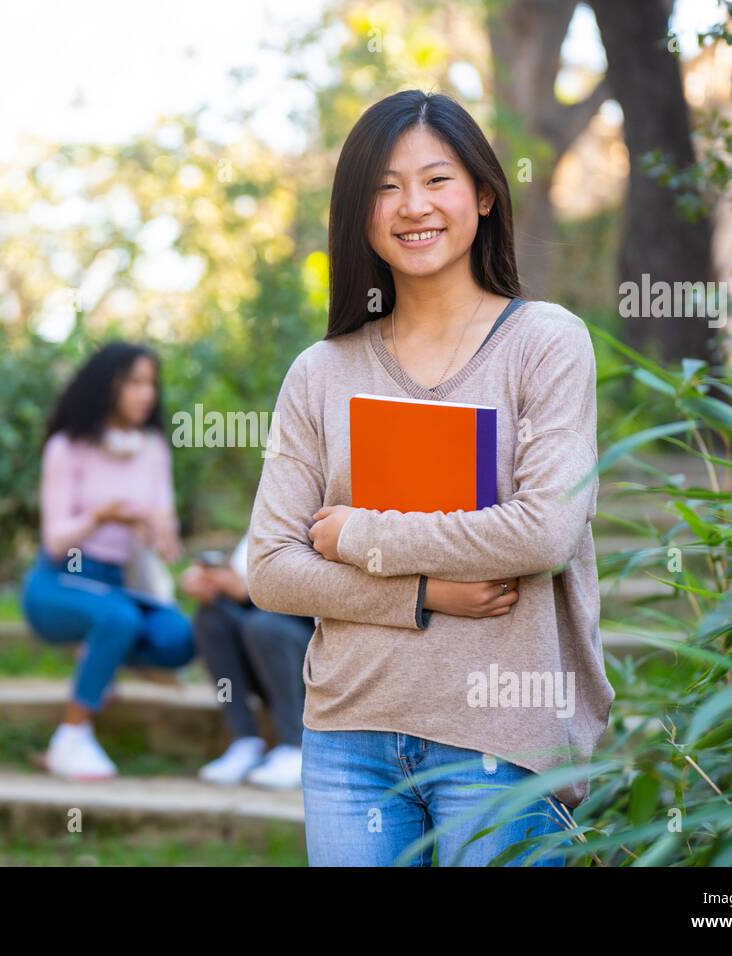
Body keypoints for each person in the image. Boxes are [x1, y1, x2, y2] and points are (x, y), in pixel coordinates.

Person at [246, 90, 615, 866]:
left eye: (436, 180)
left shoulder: (546, 344)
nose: (412, 205)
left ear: (484, 194)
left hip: (502, 740)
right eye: (385, 186)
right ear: (360, 212)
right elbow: (273, 569)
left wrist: (358, 534)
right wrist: (420, 594)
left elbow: (544, 529)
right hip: (350, 738)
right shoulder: (322, 373)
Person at [20, 342, 195, 781]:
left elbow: (168, 546)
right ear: (107, 385)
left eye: (151, 383)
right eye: (135, 382)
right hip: (59, 582)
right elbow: (56, 539)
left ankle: (104, 653)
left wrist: (157, 528)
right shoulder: (67, 446)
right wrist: (101, 515)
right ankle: (71, 736)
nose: (146, 394)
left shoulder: (153, 447)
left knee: (178, 637)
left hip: (120, 583)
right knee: (117, 619)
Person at [181, 535, 313, 789]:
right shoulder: (270, 510)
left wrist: (247, 591)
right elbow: (239, 580)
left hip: (312, 645)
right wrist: (212, 583)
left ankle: (295, 745)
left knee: (264, 626)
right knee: (212, 618)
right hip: (263, 652)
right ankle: (245, 740)